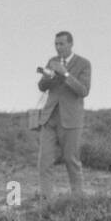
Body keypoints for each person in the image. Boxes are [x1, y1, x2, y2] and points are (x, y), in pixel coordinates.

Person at [35, 31, 91, 198]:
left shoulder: (84, 64)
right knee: (44, 161)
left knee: (71, 160)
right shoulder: (52, 62)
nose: (58, 47)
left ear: (70, 44)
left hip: (71, 119)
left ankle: (78, 198)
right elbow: (42, 86)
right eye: (56, 44)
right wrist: (49, 76)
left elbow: (83, 90)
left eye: (62, 44)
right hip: (49, 117)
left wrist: (65, 74)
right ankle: (46, 201)